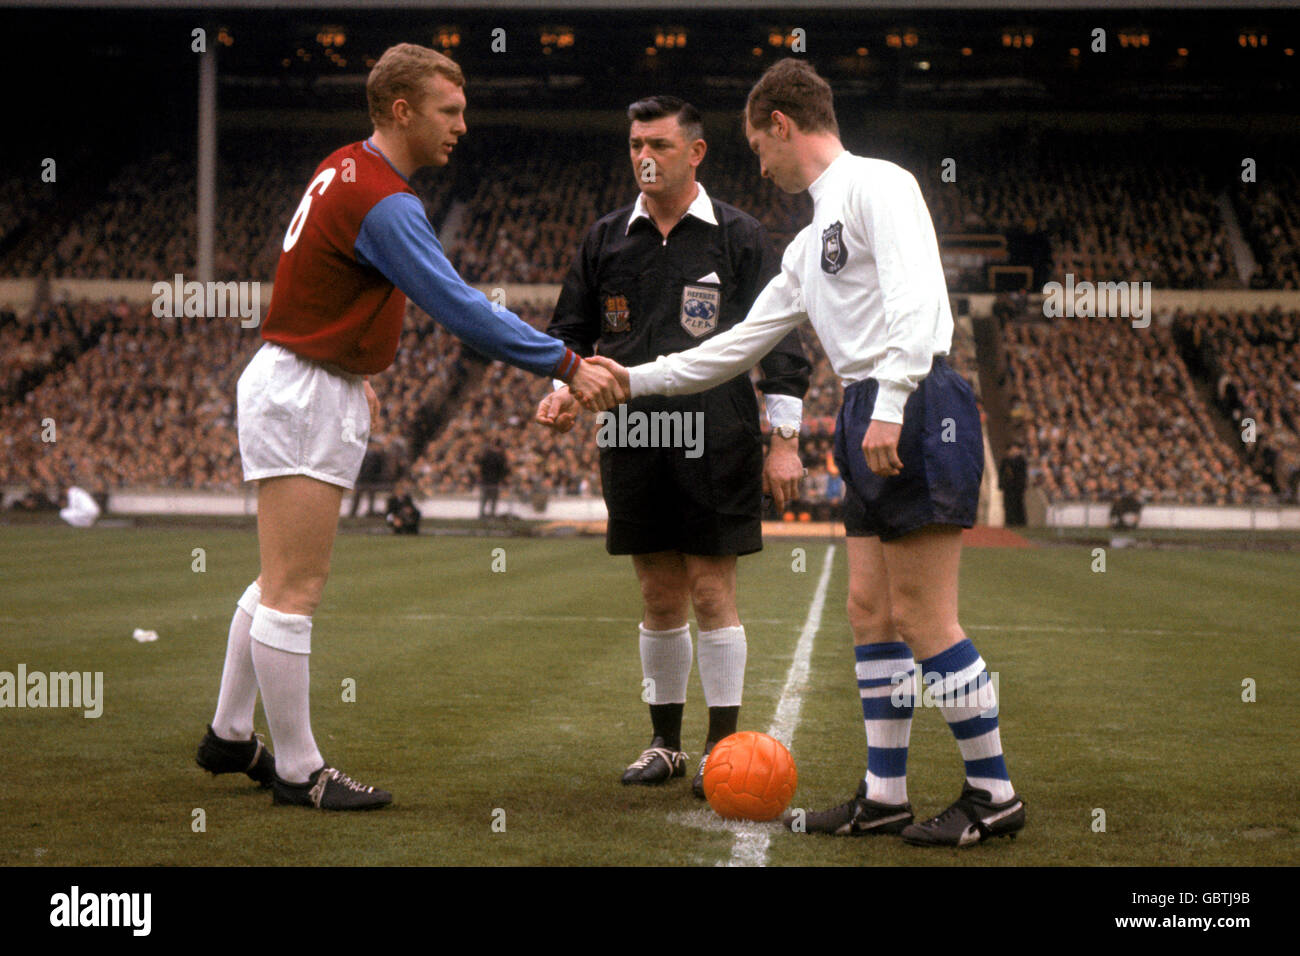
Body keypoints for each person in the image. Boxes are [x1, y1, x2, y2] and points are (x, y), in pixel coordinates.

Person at [579, 59, 1024, 847]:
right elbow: (731, 348)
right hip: (863, 404)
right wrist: (628, 380)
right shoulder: (807, 243)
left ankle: (994, 794)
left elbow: (916, 300)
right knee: (870, 613)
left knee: (923, 615)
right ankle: (884, 796)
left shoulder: (878, 184)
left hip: (912, 401)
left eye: (758, 147)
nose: (760, 166)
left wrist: (890, 405)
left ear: (782, 126)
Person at [195, 43, 623, 811]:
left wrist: (353, 365)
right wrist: (564, 362)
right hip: (304, 388)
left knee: (276, 577)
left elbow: (329, 285)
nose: (462, 124)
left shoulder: (346, 166)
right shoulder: (385, 200)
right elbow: (459, 305)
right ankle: (298, 770)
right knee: (295, 587)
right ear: (402, 111)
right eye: (448, 111)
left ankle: (230, 734)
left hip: (306, 376)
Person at [537, 95, 810, 797]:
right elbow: (570, 332)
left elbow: (781, 342)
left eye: (658, 144)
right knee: (658, 595)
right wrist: (562, 387)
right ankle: (664, 744)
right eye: (635, 145)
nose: (644, 158)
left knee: (712, 591)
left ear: (695, 152)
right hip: (629, 431)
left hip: (715, 431)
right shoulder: (605, 238)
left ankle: (724, 749)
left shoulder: (740, 236)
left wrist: (784, 440)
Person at [477, 439, 508, 518]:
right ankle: (492, 513)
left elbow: (481, 466)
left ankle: (482, 513)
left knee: (484, 498)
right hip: (495, 480)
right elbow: (502, 469)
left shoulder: (487, 454)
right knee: (493, 498)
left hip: (486, 479)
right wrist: (502, 479)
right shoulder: (500, 456)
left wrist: (481, 476)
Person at [998, 441, 1028, 527]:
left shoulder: (1021, 460)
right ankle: (1009, 522)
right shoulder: (1005, 461)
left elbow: (1023, 475)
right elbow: (1001, 473)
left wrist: (1022, 485)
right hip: (1008, 487)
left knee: (1018, 505)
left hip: (1018, 487)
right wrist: (1001, 484)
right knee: (1008, 505)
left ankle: (1020, 522)